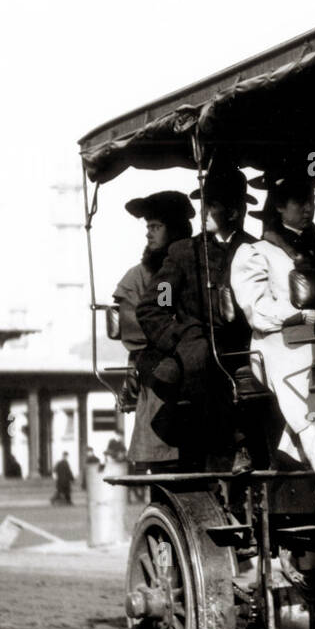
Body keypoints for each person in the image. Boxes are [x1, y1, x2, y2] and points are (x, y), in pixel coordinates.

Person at [136, 163, 253, 469]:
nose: (203, 213)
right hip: (199, 352)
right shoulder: (184, 254)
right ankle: (232, 449)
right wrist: (183, 337)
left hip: (247, 345)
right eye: (204, 204)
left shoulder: (254, 249)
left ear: (233, 212)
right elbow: (155, 307)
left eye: (212, 205)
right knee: (205, 361)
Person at [233, 172, 315, 471]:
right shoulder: (256, 252)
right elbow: (256, 310)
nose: (308, 209)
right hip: (279, 342)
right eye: (300, 202)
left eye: (312, 202)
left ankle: (295, 449)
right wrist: (296, 315)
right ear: (279, 206)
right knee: (306, 384)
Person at [112, 190, 195, 468]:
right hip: (156, 374)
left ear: (175, 230)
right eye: (148, 227)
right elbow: (134, 326)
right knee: (163, 462)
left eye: (156, 227)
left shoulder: (201, 268)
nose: (149, 234)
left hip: (199, 369)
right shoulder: (138, 277)